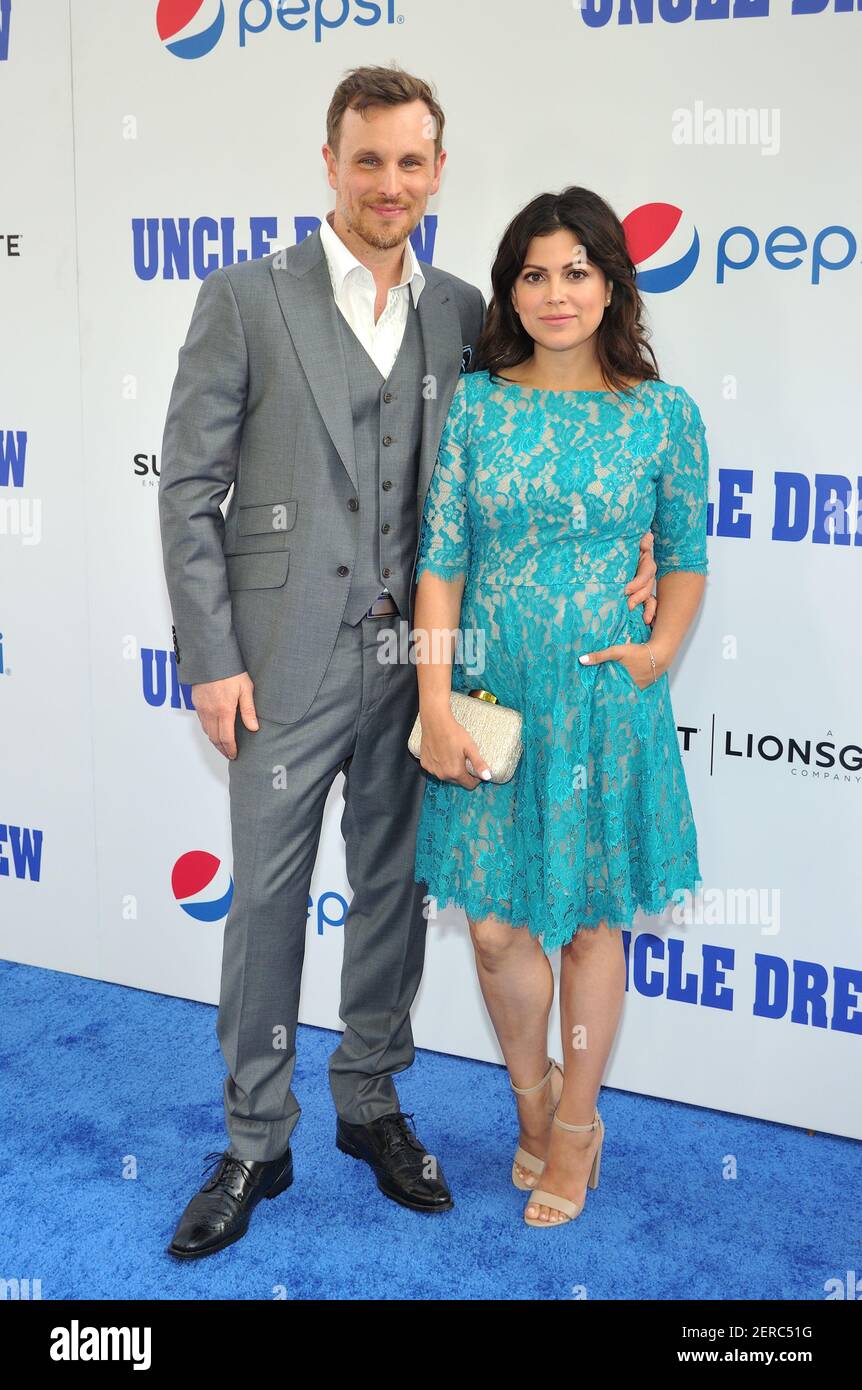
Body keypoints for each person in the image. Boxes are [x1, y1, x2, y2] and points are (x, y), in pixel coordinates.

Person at [158, 64, 658, 1259]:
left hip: (422, 663)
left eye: (412, 162)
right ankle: (252, 1137)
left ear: (439, 170)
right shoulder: (243, 296)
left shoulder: (455, 312)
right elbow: (188, 490)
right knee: (269, 899)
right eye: (368, 159)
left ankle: (371, 1098)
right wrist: (212, 655)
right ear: (329, 162)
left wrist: (637, 533)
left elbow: (544, 431)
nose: (391, 183)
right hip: (275, 661)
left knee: (393, 893)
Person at [412, 186, 710, 1229]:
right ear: (510, 290)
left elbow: (683, 555)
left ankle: (573, 1129)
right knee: (494, 928)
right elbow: (440, 559)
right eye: (532, 274)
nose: (554, 293)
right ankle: (529, 1098)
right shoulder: (479, 403)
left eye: (575, 271)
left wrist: (659, 651)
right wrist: (434, 695)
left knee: (588, 924)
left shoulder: (663, 413)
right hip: (491, 700)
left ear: (611, 282)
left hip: (598, 702)